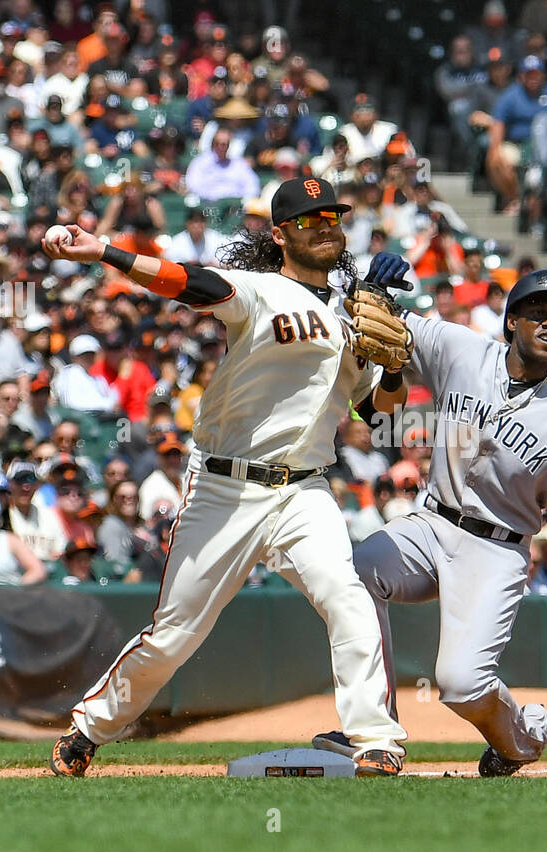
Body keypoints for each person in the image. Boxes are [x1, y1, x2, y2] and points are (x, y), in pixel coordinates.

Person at [41, 176, 408, 777]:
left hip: (304, 491)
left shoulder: (353, 319)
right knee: (175, 634)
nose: (326, 228)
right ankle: (90, 727)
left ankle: (374, 740)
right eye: (311, 220)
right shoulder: (261, 290)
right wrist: (104, 251)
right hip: (223, 487)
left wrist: (393, 362)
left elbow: (381, 413)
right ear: (283, 234)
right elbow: (190, 283)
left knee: (349, 598)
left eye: (333, 219)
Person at [311, 268, 547, 777]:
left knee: (461, 684)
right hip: (431, 521)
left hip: (497, 548)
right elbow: (383, 322)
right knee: (354, 574)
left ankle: (521, 740)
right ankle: (375, 730)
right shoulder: (461, 348)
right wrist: (370, 283)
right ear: (511, 321)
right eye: (537, 313)